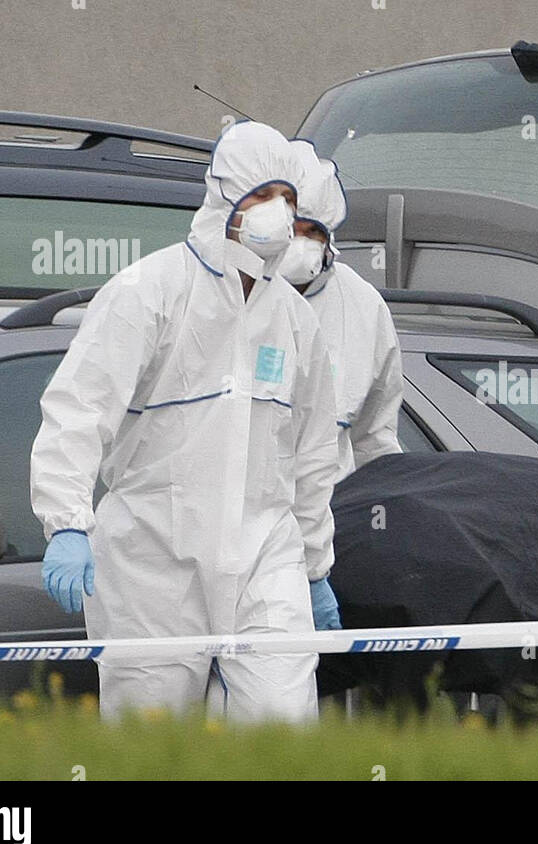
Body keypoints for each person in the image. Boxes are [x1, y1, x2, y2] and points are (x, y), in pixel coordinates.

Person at [30, 121, 342, 722]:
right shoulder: (149, 292)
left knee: (280, 719)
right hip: (153, 558)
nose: (277, 214)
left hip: (263, 559)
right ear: (223, 197)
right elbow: (77, 410)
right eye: (261, 196)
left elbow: (312, 455)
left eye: (288, 199)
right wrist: (66, 521)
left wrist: (314, 564)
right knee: (152, 737)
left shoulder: (296, 320)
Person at [280, 139, 403, 483]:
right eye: (291, 229)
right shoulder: (226, 295)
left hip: (327, 524)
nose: (299, 244)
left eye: (312, 231)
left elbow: (375, 441)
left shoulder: (361, 305)